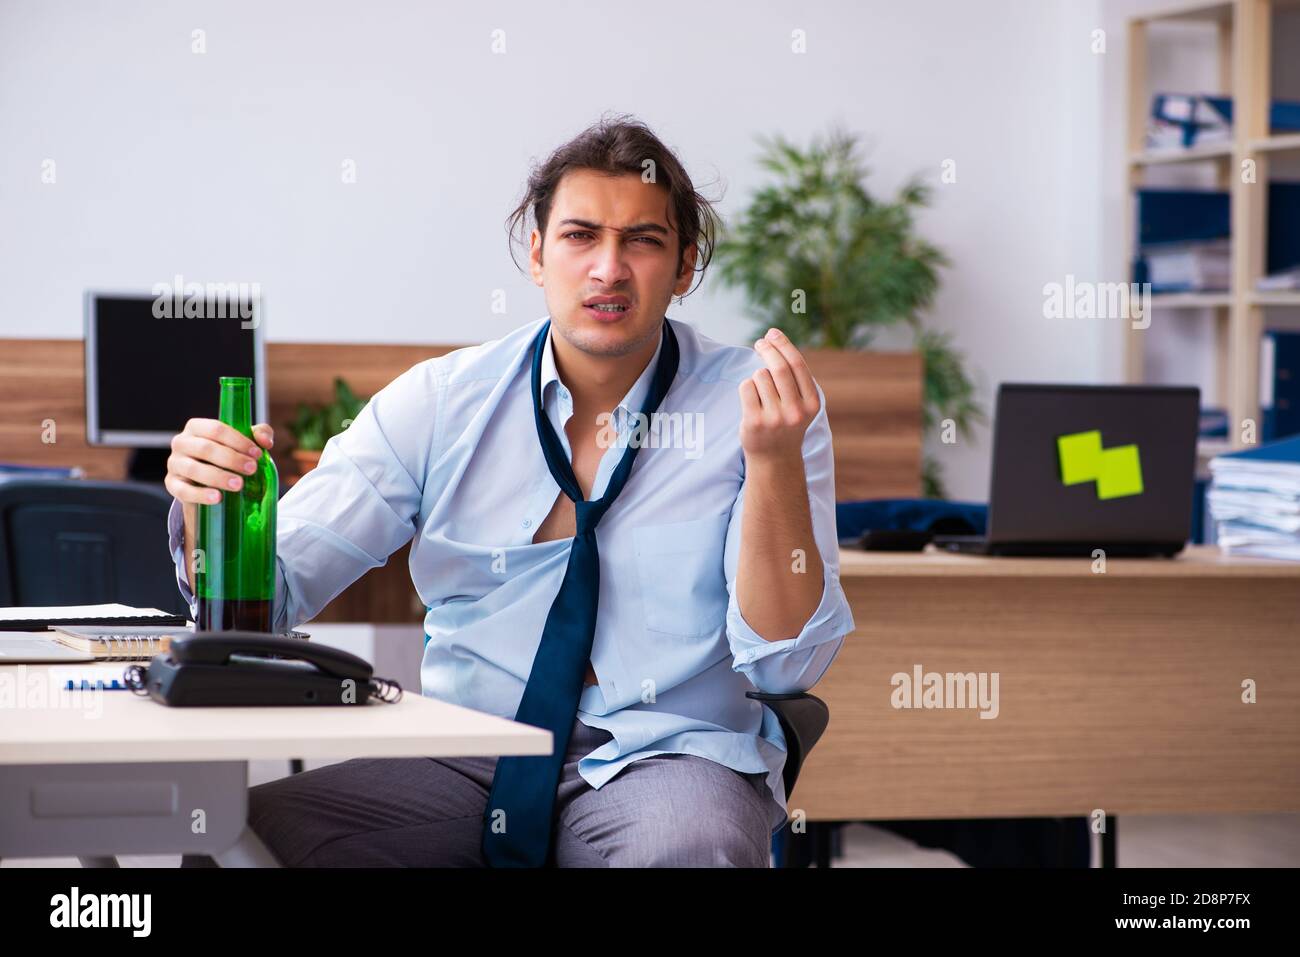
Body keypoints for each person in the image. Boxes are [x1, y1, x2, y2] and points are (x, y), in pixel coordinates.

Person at [163, 114, 854, 867]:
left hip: (667, 756)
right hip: (464, 751)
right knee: (241, 842)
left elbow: (786, 667)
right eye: (580, 236)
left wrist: (773, 462)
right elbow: (273, 595)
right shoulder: (441, 400)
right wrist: (209, 510)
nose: (608, 269)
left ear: (685, 266)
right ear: (537, 252)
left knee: (685, 851)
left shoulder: (758, 408)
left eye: (643, 241)